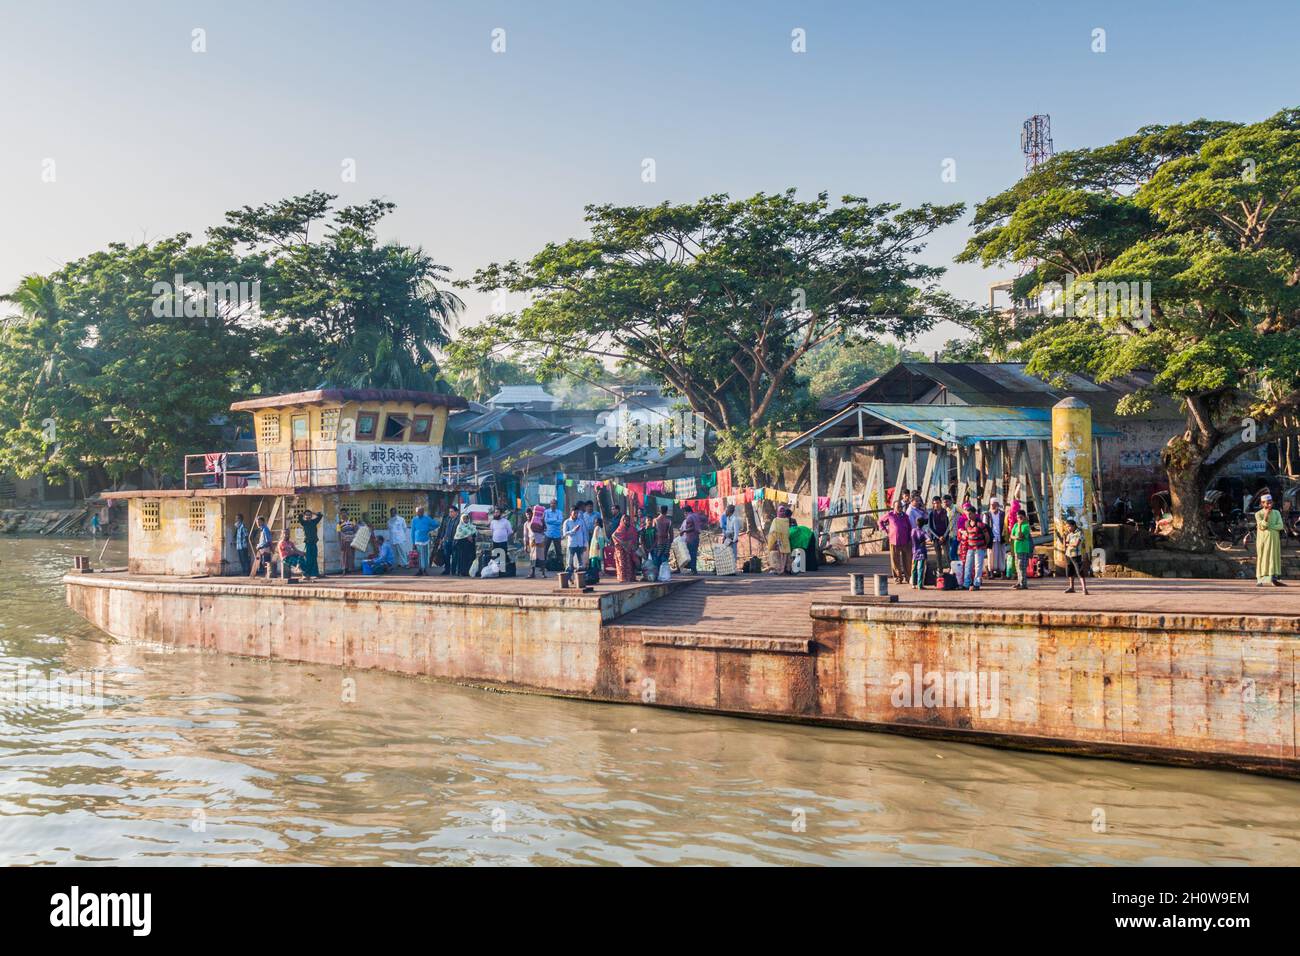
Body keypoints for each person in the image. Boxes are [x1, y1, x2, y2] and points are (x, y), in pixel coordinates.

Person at [878, 498, 913, 585]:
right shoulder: (890, 515)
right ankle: (898, 578)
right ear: (893, 507)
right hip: (894, 540)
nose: (899, 508)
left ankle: (908, 577)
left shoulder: (905, 516)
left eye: (901, 507)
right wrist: (886, 530)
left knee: (908, 560)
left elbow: (910, 527)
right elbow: (880, 521)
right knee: (895, 560)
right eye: (898, 507)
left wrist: (910, 538)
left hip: (905, 540)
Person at [1256, 493, 1285, 587]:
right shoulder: (1258, 514)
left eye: (1270, 502)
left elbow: (1280, 526)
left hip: (1274, 539)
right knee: (1263, 557)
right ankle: (1260, 579)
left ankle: (1274, 578)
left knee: (1273, 557)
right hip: (1263, 540)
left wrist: (1270, 527)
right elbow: (1262, 526)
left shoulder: (1277, 512)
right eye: (1267, 503)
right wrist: (1266, 515)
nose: (1269, 504)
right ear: (1262, 503)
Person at [959, 504, 989, 590]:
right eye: (967, 514)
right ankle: (966, 584)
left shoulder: (980, 524)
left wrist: (985, 545)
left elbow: (987, 536)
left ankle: (977, 584)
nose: (968, 515)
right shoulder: (966, 523)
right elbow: (967, 534)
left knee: (978, 567)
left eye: (970, 514)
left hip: (979, 548)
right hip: (970, 548)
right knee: (968, 566)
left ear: (974, 514)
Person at [1058, 518, 1089, 594]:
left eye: (1069, 526)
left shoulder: (1080, 533)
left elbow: (1076, 544)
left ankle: (1084, 589)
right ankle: (1071, 587)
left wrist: (1068, 544)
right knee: (1070, 571)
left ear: (1074, 525)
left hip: (1076, 555)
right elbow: (1065, 544)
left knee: (1079, 571)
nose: (1068, 528)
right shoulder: (1069, 533)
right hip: (1068, 554)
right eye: (1067, 527)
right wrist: (1064, 537)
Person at [1009, 510, 1034, 589]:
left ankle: (1023, 584)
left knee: (1021, 567)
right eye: (1018, 517)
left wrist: (1020, 526)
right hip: (1017, 549)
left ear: (1024, 517)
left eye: (1021, 517)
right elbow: (1012, 536)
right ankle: (1019, 582)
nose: (1019, 519)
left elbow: (1021, 536)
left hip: (1023, 549)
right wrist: (1016, 537)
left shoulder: (1026, 526)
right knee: (1017, 566)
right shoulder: (1015, 525)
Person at [410, 506, 436, 576]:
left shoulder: (427, 518)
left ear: (423, 512)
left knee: (425, 555)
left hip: (425, 540)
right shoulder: (414, 520)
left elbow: (436, 524)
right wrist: (413, 543)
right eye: (418, 512)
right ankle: (421, 569)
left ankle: (424, 569)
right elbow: (412, 532)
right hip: (417, 540)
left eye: (420, 512)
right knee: (419, 555)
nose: (419, 513)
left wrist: (429, 529)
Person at [613, 514, 639, 583]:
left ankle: (631, 577)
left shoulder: (632, 528)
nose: (627, 521)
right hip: (621, 549)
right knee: (622, 564)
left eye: (628, 520)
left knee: (631, 563)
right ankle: (622, 578)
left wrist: (632, 544)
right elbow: (614, 536)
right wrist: (622, 543)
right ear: (623, 520)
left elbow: (635, 537)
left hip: (630, 549)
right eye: (625, 520)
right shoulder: (620, 528)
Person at [766, 506, 792, 574]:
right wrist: (775, 540)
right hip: (778, 539)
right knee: (781, 554)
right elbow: (773, 530)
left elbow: (787, 530)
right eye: (781, 511)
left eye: (783, 511)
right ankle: (781, 569)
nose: (782, 512)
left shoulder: (786, 520)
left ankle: (784, 569)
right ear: (778, 512)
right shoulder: (776, 520)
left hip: (785, 539)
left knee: (786, 554)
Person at [562, 505, 588, 573]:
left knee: (581, 564)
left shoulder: (581, 521)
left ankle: (580, 580)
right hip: (571, 545)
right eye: (574, 513)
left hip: (580, 545)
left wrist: (585, 544)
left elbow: (584, 533)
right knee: (569, 564)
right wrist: (573, 531)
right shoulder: (567, 522)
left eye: (577, 513)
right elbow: (564, 534)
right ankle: (568, 579)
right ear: (571, 513)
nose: (576, 515)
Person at [298, 508, 322, 578]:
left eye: (309, 515)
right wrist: (304, 513)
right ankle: (307, 573)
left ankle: (315, 573)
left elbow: (320, 515)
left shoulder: (314, 521)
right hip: (308, 543)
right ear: (304, 516)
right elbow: (299, 516)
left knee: (314, 558)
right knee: (308, 558)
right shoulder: (303, 522)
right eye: (306, 515)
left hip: (314, 543)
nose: (308, 516)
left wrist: (312, 512)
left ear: (311, 516)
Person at [679, 504, 703, 574]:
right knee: (694, 554)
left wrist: (684, 531)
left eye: (684, 512)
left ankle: (693, 570)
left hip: (691, 538)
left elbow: (692, 528)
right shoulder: (696, 516)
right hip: (696, 537)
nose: (684, 514)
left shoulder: (689, 518)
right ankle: (693, 569)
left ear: (686, 512)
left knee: (691, 554)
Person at [435, 505, 459, 575]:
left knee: (455, 557)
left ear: (456, 512)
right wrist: (441, 539)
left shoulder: (459, 520)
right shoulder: (447, 519)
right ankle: (447, 570)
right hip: (446, 541)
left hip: (455, 541)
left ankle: (454, 571)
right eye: (449, 512)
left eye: (452, 512)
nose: (450, 513)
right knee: (446, 556)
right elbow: (443, 530)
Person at [927, 496, 949, 571]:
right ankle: (940, 571)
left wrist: (944, 536)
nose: (936, 505)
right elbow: (930, 527)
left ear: (941, 503)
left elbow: (949, 525)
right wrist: (937, 537)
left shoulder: (945, 512)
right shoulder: (931, 514)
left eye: (937, 503)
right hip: (935, 537)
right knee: (938, 555)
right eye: (934, 503)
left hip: (945, 536)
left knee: (947, 554)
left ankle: (951, 569)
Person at [525, 509, 549, 579]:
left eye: (529, 514)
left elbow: (545, 528)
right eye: (527, 515)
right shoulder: (526, 524)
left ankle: (543, 573)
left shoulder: (540, 521)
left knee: (541, 557)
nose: (528, 516)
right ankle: (532, 573)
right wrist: (526, 546)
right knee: (532, 557)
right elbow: (525, 535)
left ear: (533, 514)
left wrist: (542, 524)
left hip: (540, 540)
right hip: (532, 541)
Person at [986, 498, 1006, 579]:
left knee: (1002, 554)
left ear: (997, 504)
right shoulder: (987, 515)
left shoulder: (1002, 514)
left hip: (1001, 537)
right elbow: (985, 527)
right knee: (991, 555)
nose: (993, 506)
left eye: (995, 504)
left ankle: (1002, 572)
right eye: (992, 505)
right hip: (992, 538)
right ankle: (991, 572)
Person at [652, 505, 673, 578]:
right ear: (666, 511)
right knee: (664, 559)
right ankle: (663, 575)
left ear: (659, 511)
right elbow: (671, 534)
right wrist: (670, 543)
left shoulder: (655, 520)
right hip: (666, 541)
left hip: (657, 542)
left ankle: (656, 575)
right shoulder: (669, 521)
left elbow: (653, 532)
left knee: (657, 559)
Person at [543, 501, 565, 570]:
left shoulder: (559, 512)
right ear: (550, 504)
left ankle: (561, 566)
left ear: (556, 505)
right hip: (548, 533)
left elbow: (560, 521)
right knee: (545, 550)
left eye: (554, 503)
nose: (553, 505)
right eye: (552, 503)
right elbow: (546, 520)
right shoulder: (546, 511)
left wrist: (551, 521)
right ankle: (543, 566)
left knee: (559, 551)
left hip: (557, 534)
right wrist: (555, 520)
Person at [910, 515, 929, 589]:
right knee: (921, 568)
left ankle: (913, 584)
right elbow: (929, 539)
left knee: (914, 568)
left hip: (914, 551)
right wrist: (924, 542)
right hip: (922, 551)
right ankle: (920, 585)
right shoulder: (923, 532)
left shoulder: (913, 530)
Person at [337, 509, 358, 575]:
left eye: (344, 513)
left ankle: (350, 568)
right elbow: (339, 533)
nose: (343, 514)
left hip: (352, 540)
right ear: (340, 515)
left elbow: (355, 529)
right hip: (344, 540)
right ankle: (344, 569)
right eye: (342, 513)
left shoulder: (352, 520)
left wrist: (355, 537)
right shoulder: (339, 523)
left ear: (347, 513)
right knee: (344, 555)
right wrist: (340, 543)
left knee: (351, 554)